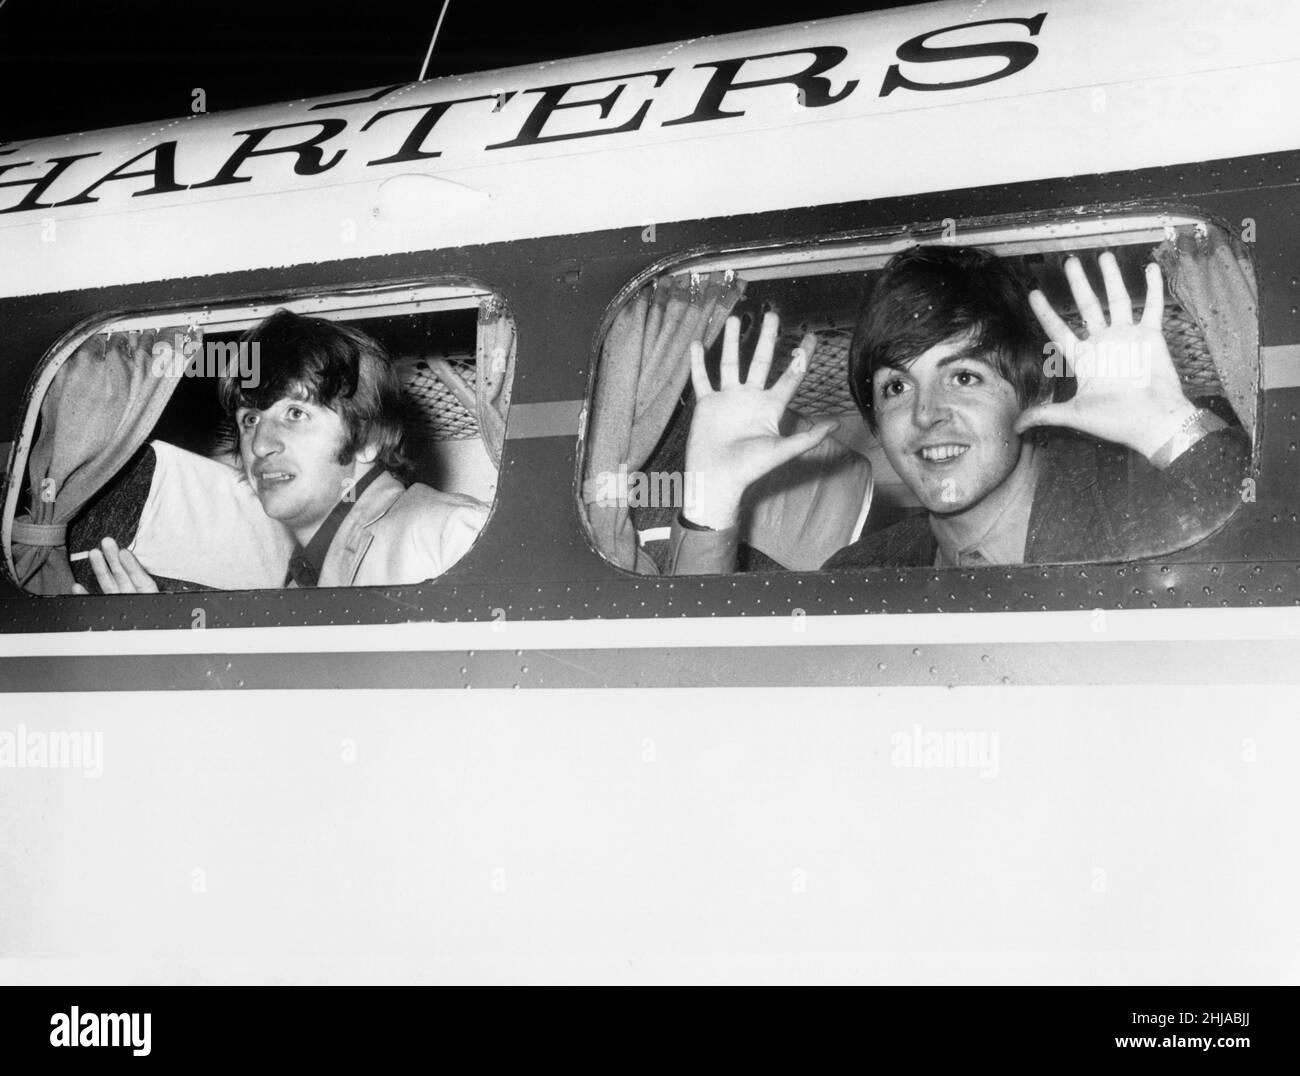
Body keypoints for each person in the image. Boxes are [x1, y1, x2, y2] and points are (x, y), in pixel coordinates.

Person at [670, 245, 1249, 572]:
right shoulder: (858, 576)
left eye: (964, 376)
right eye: (896, 388)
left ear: (1033, 392)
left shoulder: (1144, 503)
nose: (926, 415)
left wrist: (1172, 428)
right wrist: (710, 507)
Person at [73, 310, 488, 592]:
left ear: (369, 439)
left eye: (295, 412)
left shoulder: (448, 536)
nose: (260, 444)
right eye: (250, 419)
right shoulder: (300, 575)